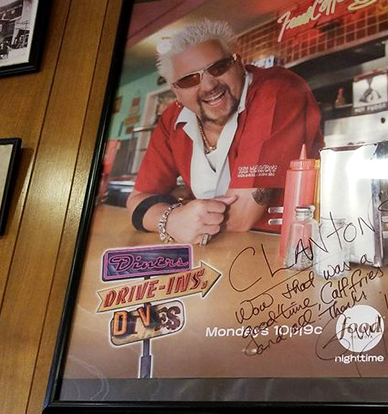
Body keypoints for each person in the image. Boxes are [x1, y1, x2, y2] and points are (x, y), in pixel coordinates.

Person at [127, 19, 323, 245]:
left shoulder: (276, 90)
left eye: (218, 68)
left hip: (287, 250)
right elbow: (137, 200)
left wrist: (174, 208)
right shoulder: (171, 119)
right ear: (176, 91)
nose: (209, 85)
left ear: (238, 63)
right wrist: (171, 219)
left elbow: (240, 218)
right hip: (215, 255)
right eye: (190, 79)